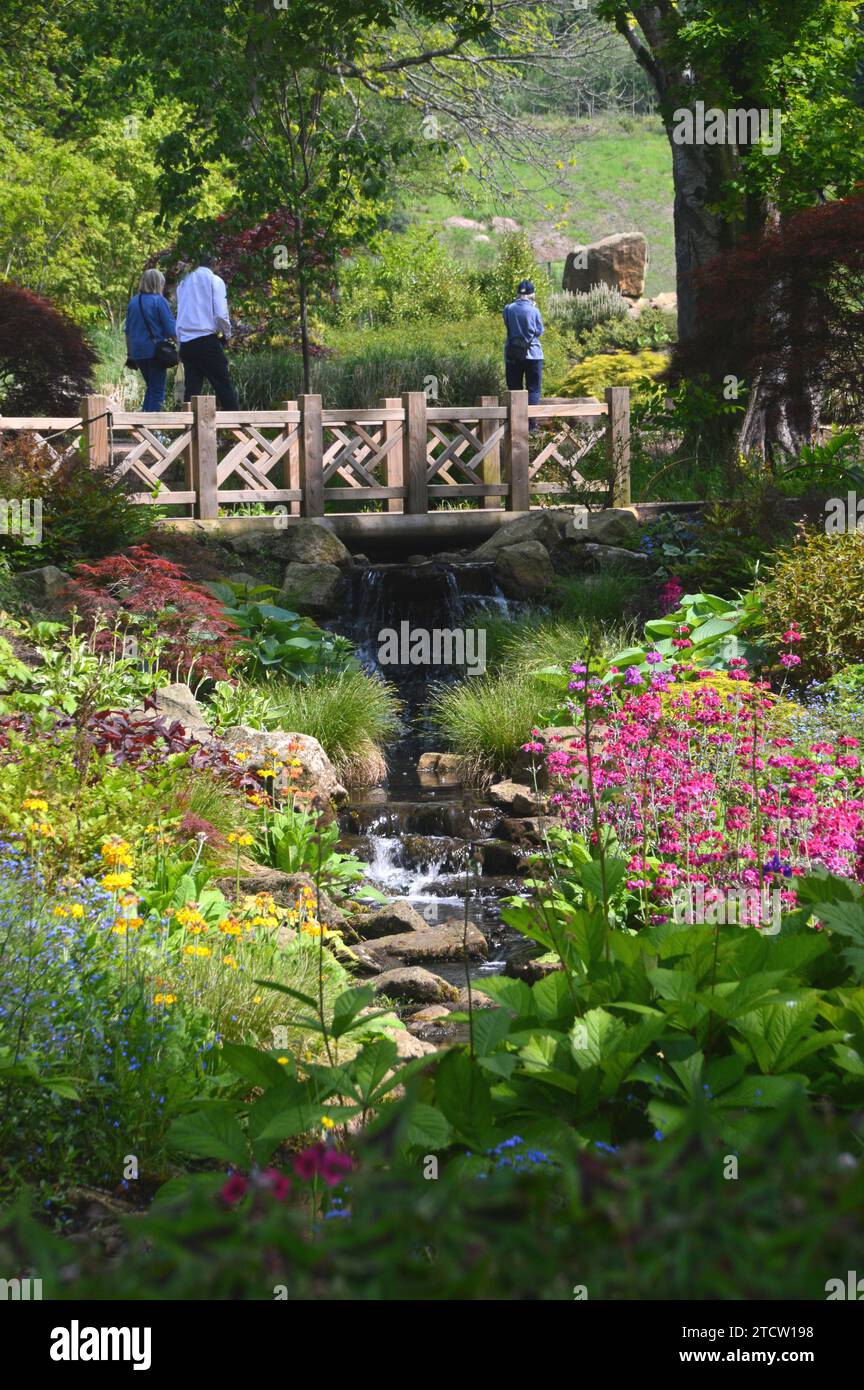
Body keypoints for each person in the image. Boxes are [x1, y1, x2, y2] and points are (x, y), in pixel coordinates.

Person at [175, 256, 240, 409]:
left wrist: (180, 342)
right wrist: (227, 334)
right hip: (206, 340)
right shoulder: (214, 281)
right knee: (223, 386)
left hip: (187, 343)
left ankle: (189, 430)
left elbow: (180, 315)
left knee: (191, 391)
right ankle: (237, 427)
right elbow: (220, 314)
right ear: (215, 263)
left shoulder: (183, 283)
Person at [124, 269, 177, 412]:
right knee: (157, 391)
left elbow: (127, 331)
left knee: (151, 388)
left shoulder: (133, 302)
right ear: (158, 283)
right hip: (155, 352)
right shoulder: (159, 301)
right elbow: (172, 330)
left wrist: (130, 354)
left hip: (137, 352)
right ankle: (150, 429)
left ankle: (143, 426)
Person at [503, 279, 544, 428]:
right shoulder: (534, 310)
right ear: (532, 294)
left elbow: (507, 324)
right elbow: (539, 331)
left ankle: (515, 424)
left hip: (513, 354)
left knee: (514, 388)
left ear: (518, 293)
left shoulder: (508, 308)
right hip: (533, 354)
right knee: (533, 389)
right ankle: (531, 425)